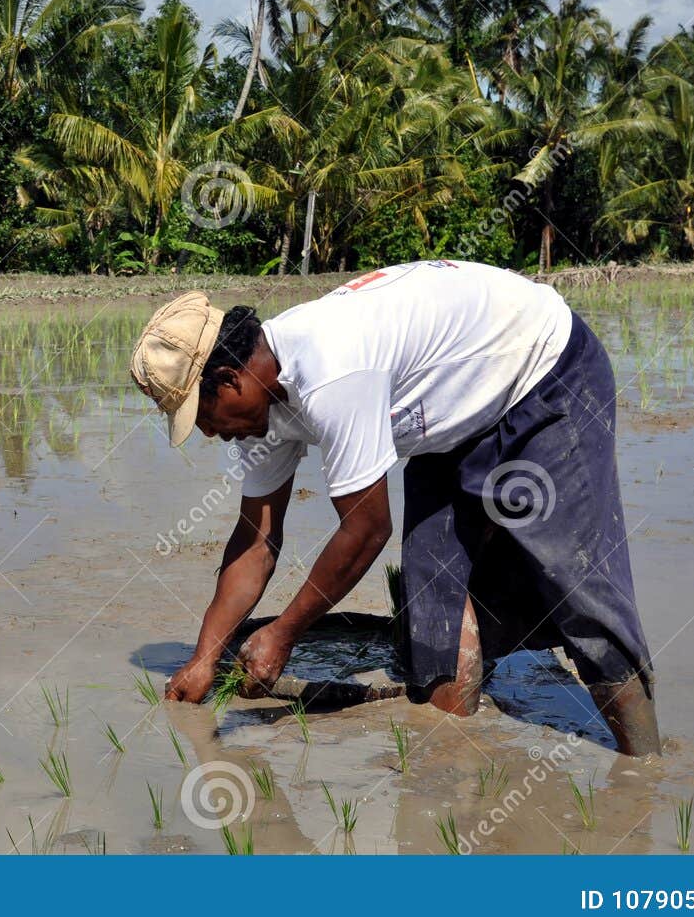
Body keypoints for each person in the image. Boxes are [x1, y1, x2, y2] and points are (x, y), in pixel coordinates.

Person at [128, 259, 661, 755]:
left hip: (542, 369)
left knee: (573, 576)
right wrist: (204, 658)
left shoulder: (331, 370)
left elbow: (365, 530)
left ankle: (645, 772)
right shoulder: (259, 404)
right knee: (432, 602)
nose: (208, 432)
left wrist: (284, 632)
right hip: (446, 415)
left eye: (203, 413)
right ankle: (452, 771)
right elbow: (257, 540)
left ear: (229, 380)